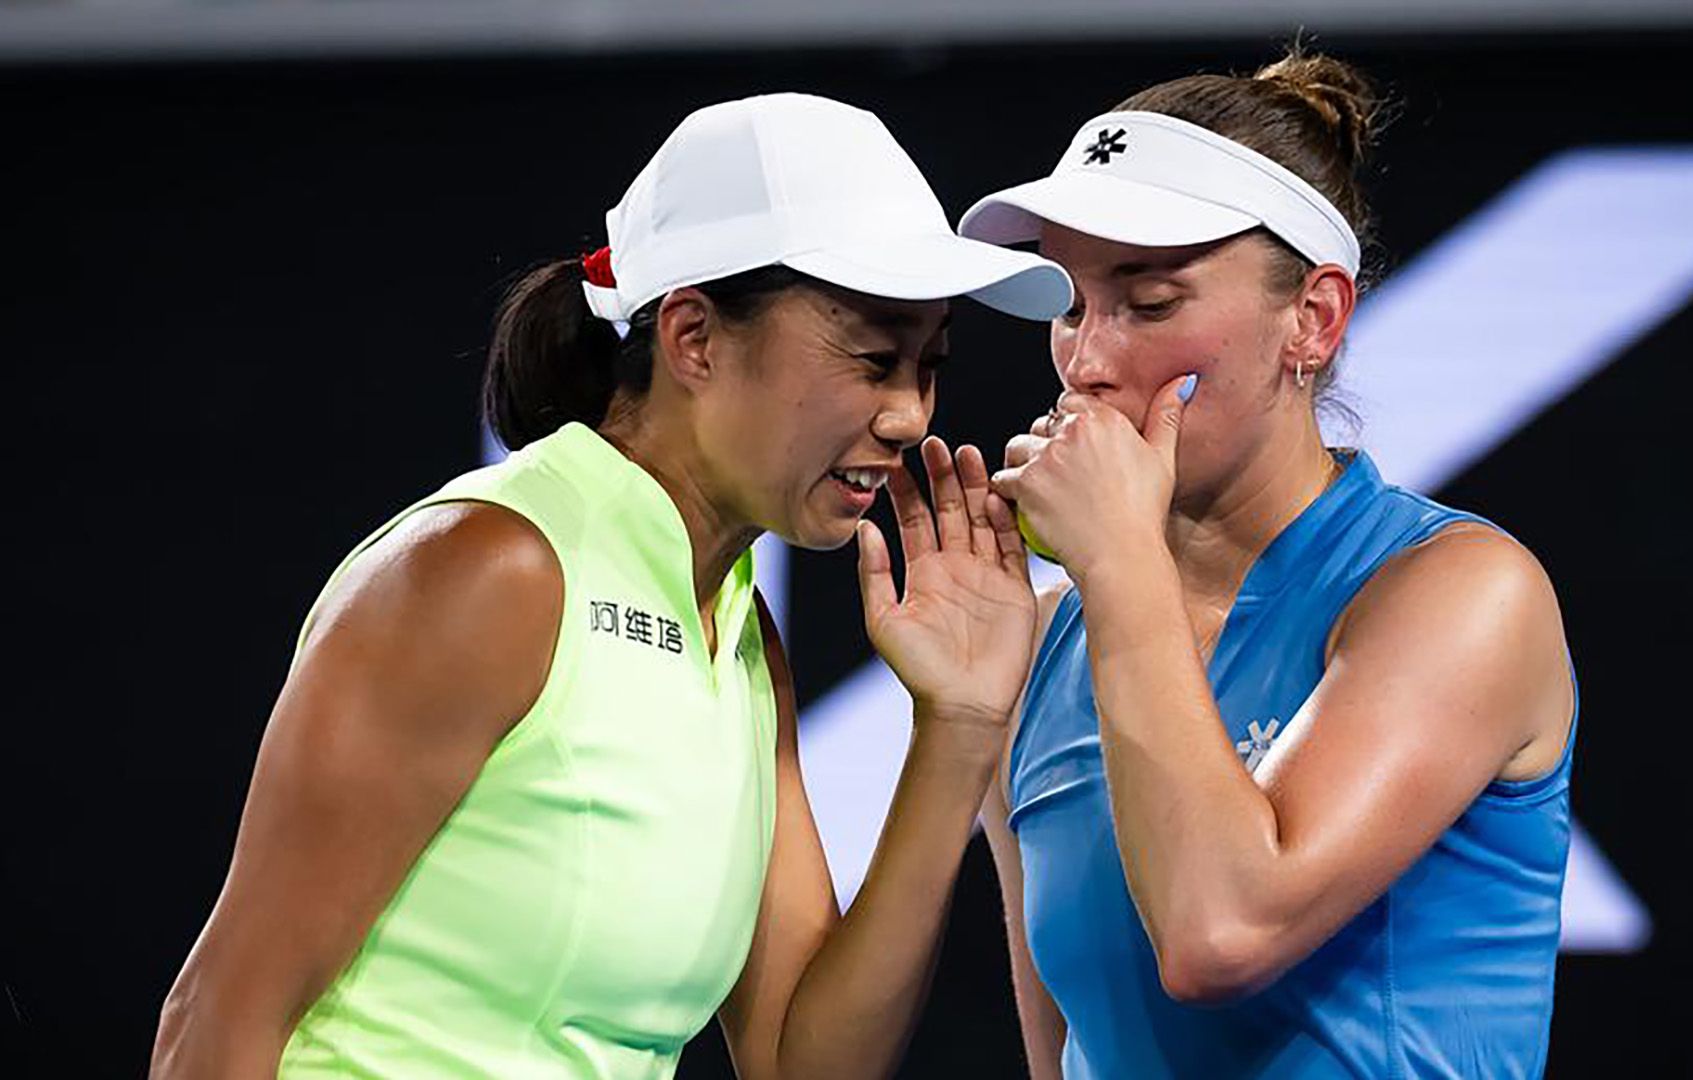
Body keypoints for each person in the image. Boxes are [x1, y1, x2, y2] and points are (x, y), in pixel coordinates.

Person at [150, 92, 1070, 1080]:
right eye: (873, 360)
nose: (907, 415)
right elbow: (217, 1019)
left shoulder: (740, 633)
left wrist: (958, 725)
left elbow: (803, 1063)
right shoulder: (491, 572)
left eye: (928, 367)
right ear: (694, 338)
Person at [962, 51, 1578, 1079]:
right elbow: (1066, 1055)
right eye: (1070, 307)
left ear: (1315, 317)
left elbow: (1221, 934)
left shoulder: (1464, 593)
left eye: (1150, 302)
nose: (1089, 360)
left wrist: (1120, 565)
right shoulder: (1037, 652)